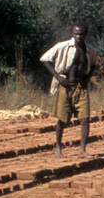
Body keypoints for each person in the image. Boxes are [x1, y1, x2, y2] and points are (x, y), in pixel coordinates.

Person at [40, 24, 95, 157]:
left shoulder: (90, 50)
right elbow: (44, 59)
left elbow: (94, 65)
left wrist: (88, 78)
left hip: (81, 87)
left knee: (85, 119)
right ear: (72, 33)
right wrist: (58, 77)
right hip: (65, 86)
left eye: (81, 34)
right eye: (76, 34)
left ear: (85, 34)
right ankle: (58, 147)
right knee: (63, 119)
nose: (78, 37)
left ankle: (82, 150)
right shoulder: (62, 46)